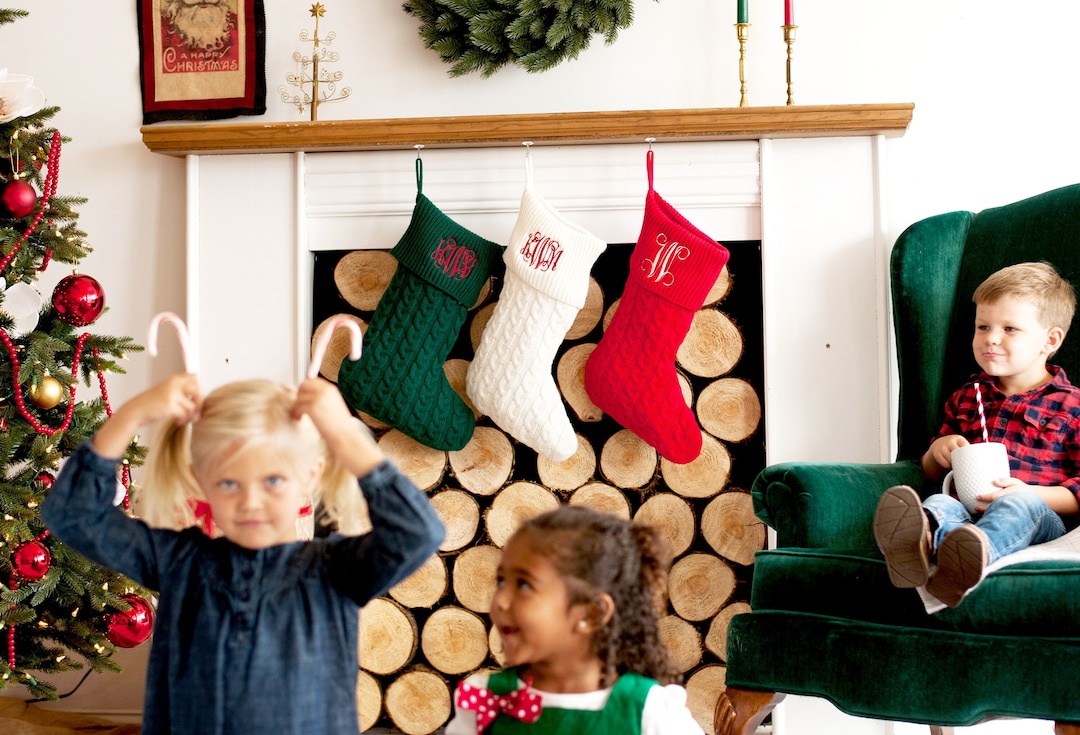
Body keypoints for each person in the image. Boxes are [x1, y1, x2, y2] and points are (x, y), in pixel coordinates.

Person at [41, 373, 444, 735]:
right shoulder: (179, 562)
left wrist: (344, 437)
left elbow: (419, 533)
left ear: (309, 477)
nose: (251, 502)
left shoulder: (333, 571)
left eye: (272, 480)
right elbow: (73, 514)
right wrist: (130, 416)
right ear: (202, 481)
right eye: (230, 483)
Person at [874, 261, 1080, 608]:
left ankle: (967, 559)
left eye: (1010, 328)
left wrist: (1033, 493)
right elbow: (931, 472)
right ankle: (916, 547)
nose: (991, 338)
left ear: (1051, 340)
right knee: (938, 503)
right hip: (966, 511)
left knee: (1018, 504)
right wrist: (938, 451)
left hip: (1039, 515)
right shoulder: (968, 397)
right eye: (983, 326)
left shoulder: (1072, 406)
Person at [444, 505, 705, 735]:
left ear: (590, 614)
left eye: (523, 584)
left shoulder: (650, 712)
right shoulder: (485, 698)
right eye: (501, 581)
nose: (500, 600)